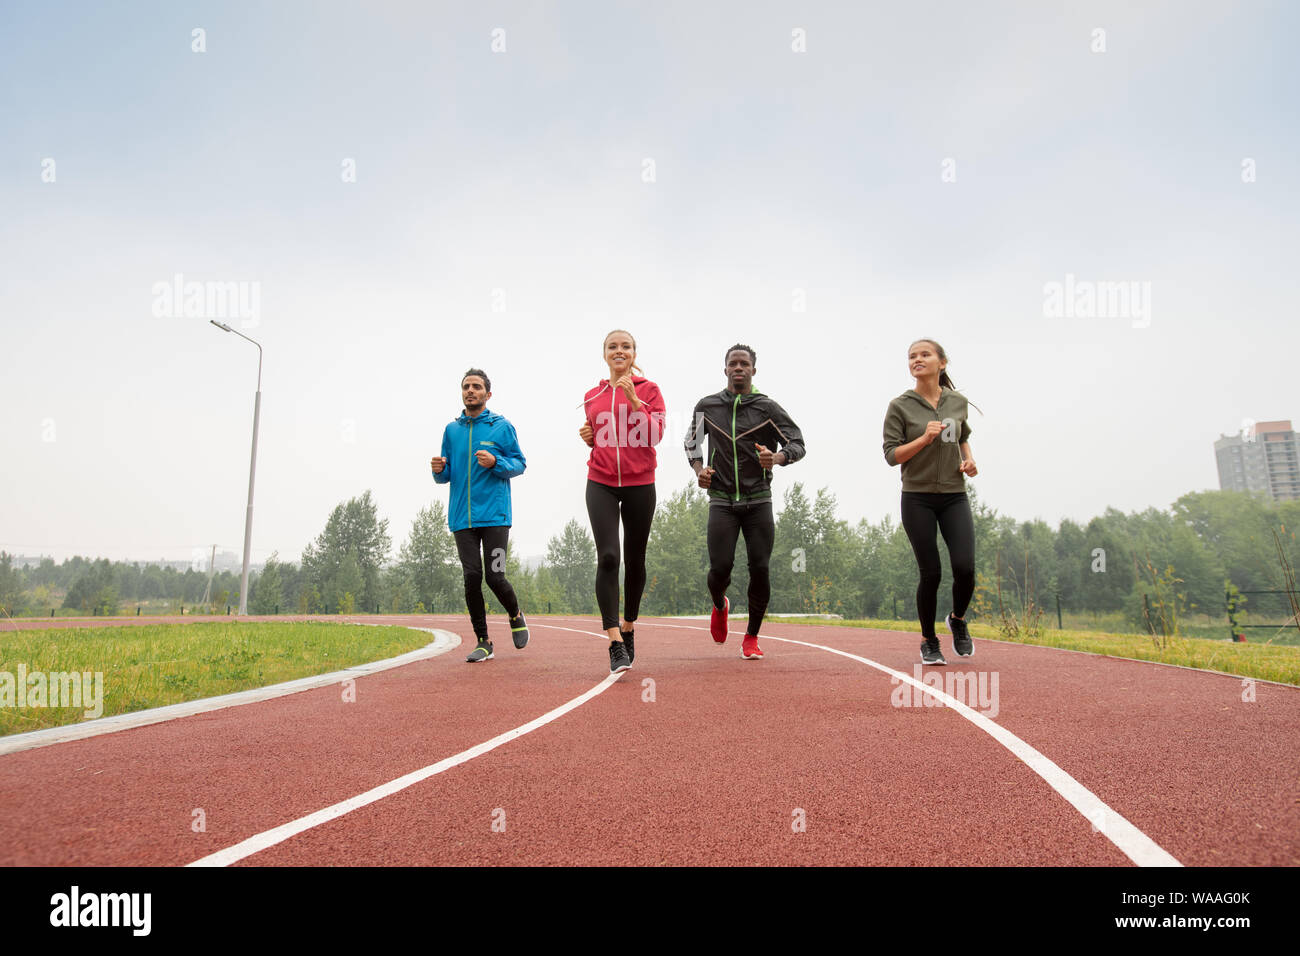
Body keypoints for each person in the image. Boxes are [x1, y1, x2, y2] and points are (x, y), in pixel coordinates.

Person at [685, 344, 805, 660]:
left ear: (753, 370)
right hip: (722, 500)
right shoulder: (707, 406)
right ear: (725, 369)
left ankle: (751, 637)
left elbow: (797, 443)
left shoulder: (767, 408)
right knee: (720, 569)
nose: (739, 368)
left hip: (758, 500)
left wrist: (776, 458)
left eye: (745, 364)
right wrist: (700, 471)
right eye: (733, 363)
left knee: (761, 568)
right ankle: (719, 604)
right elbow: (691, 445)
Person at [882, 338, 979, 666]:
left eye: (924, 355)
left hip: (954, 495)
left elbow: (963, 437)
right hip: (917, 498)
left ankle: (957, 618)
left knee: (965, 568)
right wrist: (924, 438)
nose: (917, 360)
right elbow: (891, 456)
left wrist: (969, 461)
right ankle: (929, 640)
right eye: (912, 356)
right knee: (932, 572)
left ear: (942, 363)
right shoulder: (900, 406)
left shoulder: (957, 402)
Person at [578, 330, 666, 674]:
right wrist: (588, 437)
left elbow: (655, 435)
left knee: (635, 558)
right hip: (600, 482)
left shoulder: (650, 391)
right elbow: (600, 436)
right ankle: (614, 640)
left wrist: (632, 400)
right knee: (609, 557)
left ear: (633, 353)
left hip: (640, 484)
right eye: (613, 346)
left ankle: (629, 625)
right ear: (604, 354)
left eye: (625, 346)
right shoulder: (592, 394)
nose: (619, 351)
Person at [431, 368, 530, 662]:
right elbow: (446, 475)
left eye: (476, 386)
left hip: (495, 518)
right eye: (466, 387)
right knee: (471, 577)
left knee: (495, 576)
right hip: (462, 519)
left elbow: (519, 464)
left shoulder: (502, 427)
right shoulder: (452, 430)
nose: (470, 391)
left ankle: (515, 614)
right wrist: (438, 470)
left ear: (488, 394)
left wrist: (496, 461)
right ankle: (483, 641)